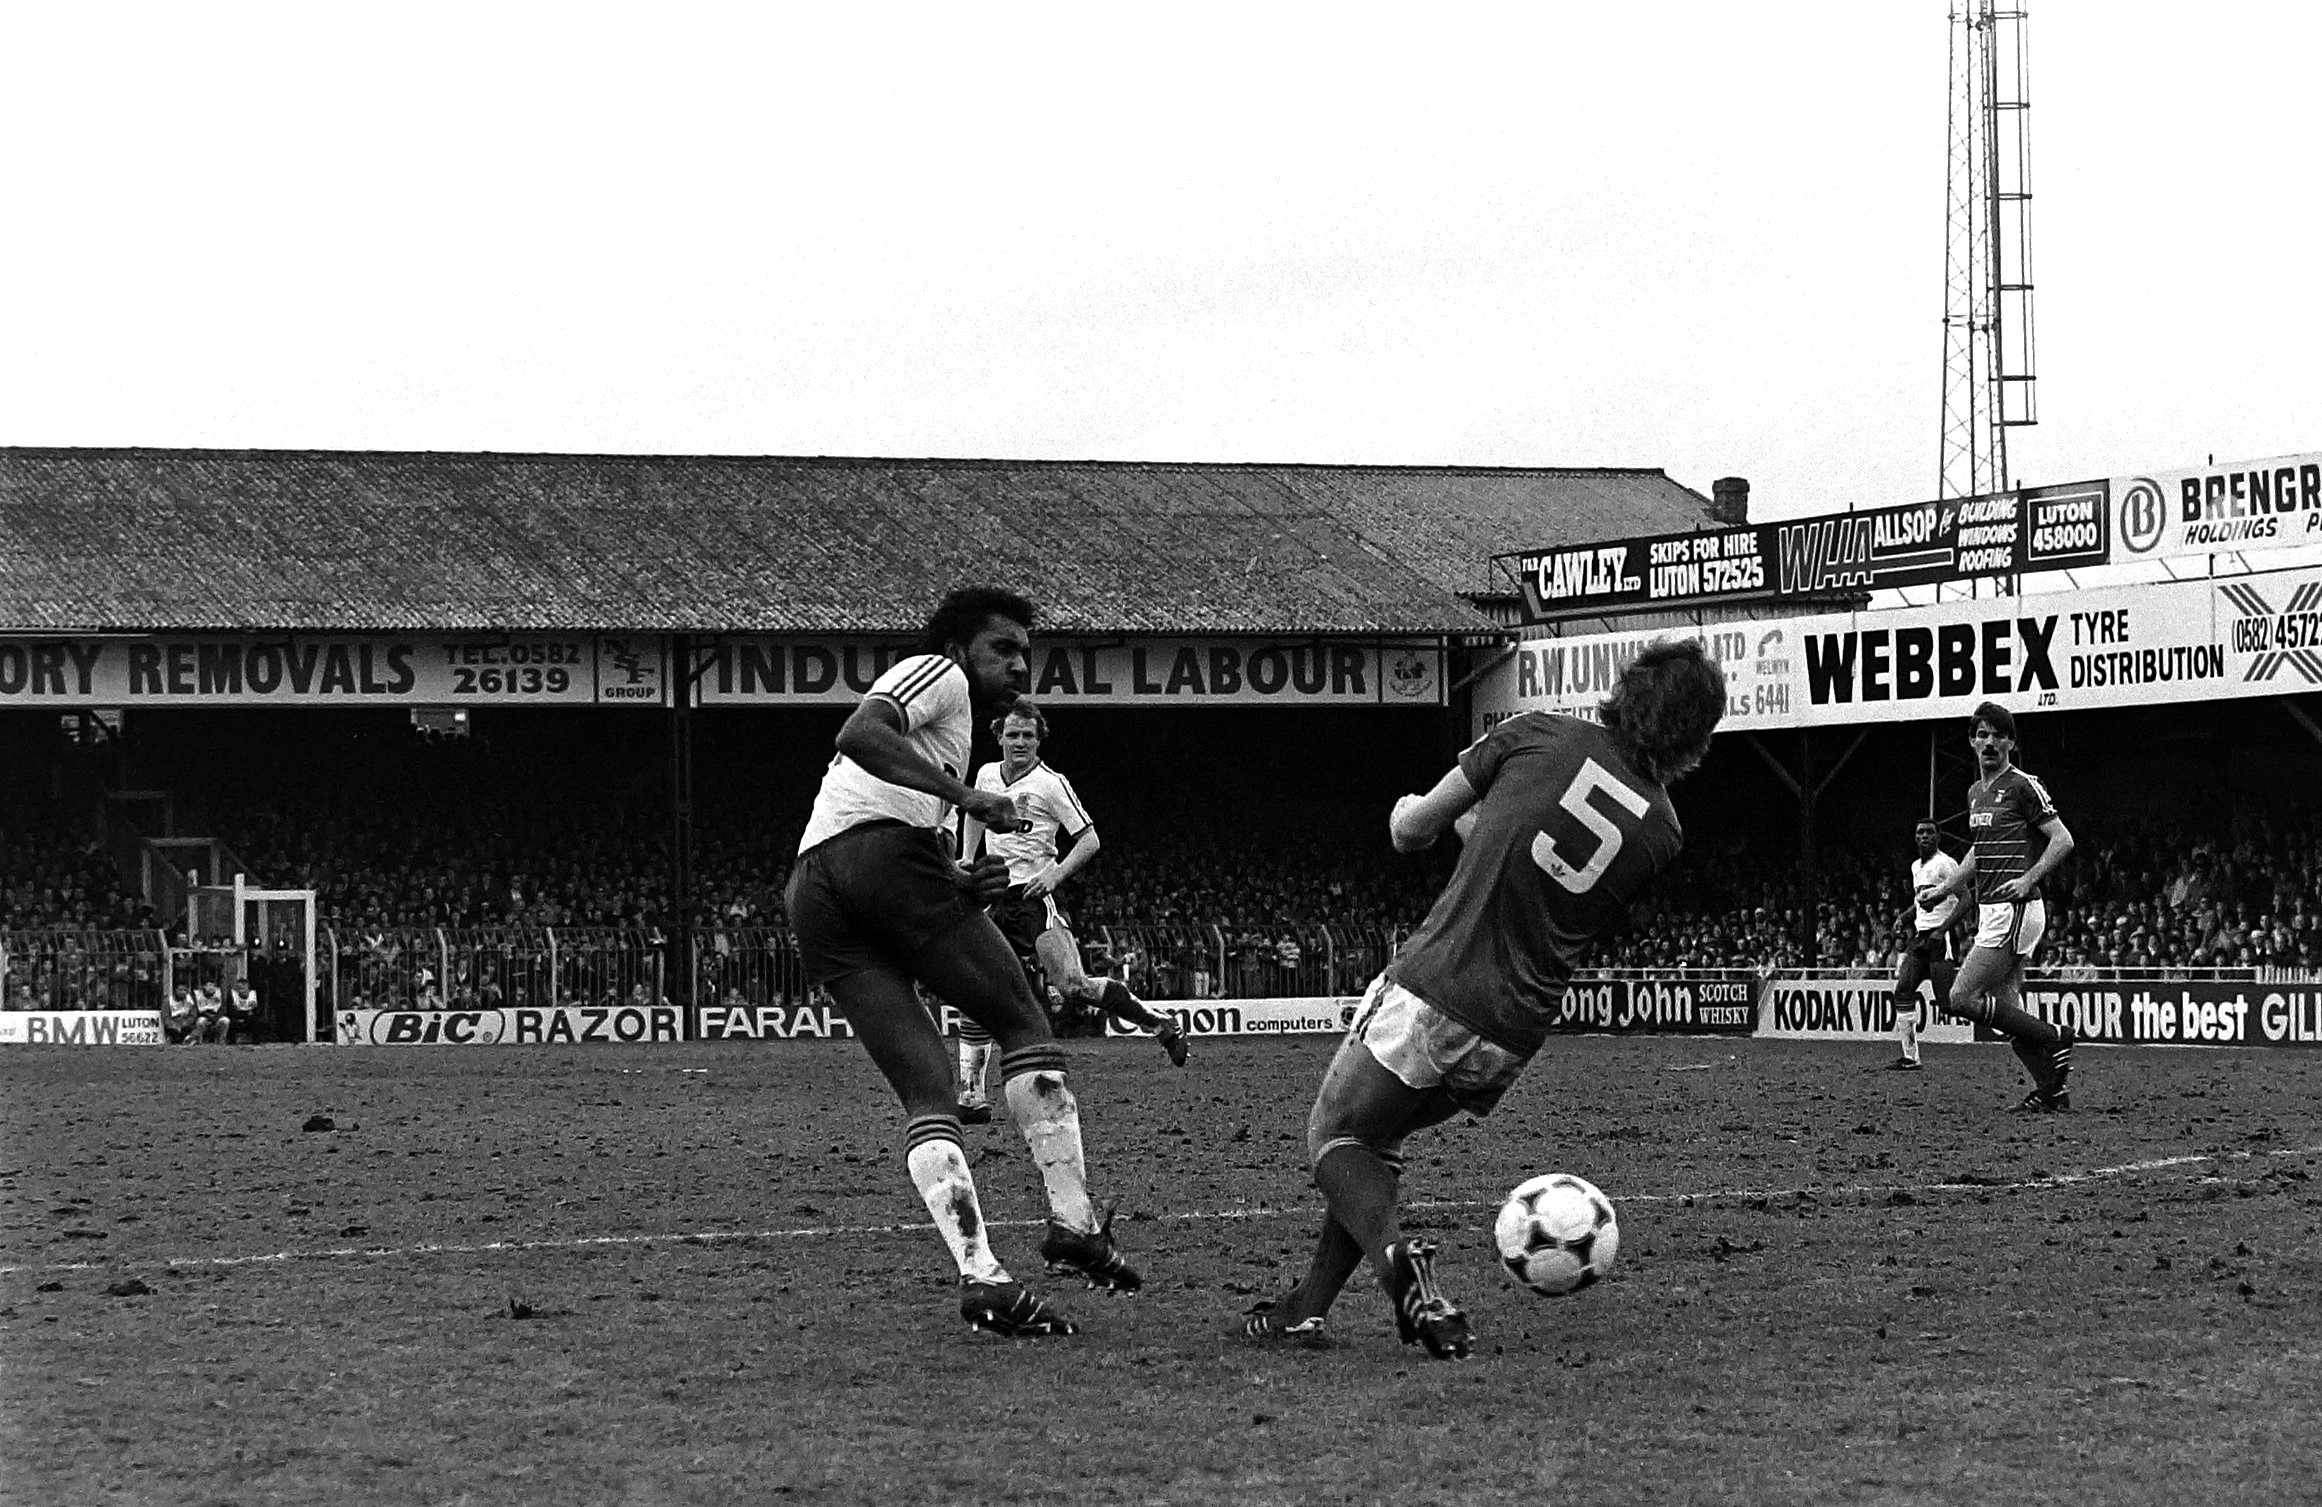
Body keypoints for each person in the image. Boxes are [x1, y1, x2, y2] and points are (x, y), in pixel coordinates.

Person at [1242, 638, 1727, 1360]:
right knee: (1376, 1144)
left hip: (1438, 984)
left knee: (1333, 1137)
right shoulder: (1664, 830)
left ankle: (1405, 1274)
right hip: (1512, 1031)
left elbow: (1413, 831)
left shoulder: (1536, 732)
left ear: (1626, 689)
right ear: (1696, 737)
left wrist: (1410, 809)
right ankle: (1304, 1311)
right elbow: (1532, 859)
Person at [783, 585, 1140, 1338]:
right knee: (1024, 1021)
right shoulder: (938, 674)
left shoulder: (945, 736)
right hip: (877, 860)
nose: (1020, 665)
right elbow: (859, 732)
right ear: (958, 649)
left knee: (930, 1090)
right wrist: (970, 801)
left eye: (1026, 653)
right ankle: (1074, 1222)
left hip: (816, 892)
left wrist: (960, 876)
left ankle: (982, 1275)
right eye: (1003, 649)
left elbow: (887, 808)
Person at [954, 699, 1187, 1120]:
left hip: (1032, 898)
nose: (1020, 742)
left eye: (1028, 735)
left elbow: (1089, 839)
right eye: (1012, 734)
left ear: (1039, 739)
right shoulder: (987, 774)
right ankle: (971, 1096)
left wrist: (1055, 875)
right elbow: (975, 812)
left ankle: (1159, 1023)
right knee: (974, 988)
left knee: (1073, 985)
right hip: (993, 896)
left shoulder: (1051, 784)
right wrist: (968, 858)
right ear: (999, 736)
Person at [1914, 702, 2078, 1111]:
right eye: (1982, 735)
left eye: (1998, 735)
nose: (1989, 742)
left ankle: (2055, 1036)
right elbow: (1979, 852)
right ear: (1972, 742)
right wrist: (1945, 889)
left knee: (1961, 996)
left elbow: (2062, 839)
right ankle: (2051, 1092)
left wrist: (2028, 879)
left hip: (2015, 907)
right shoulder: (1975, 793)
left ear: (2010, 743)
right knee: (2007, 1009)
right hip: (1994, 910)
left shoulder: (2023, 785)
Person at [1887, 819, 1962, 1070]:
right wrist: (1904, 917)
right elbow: (1920, 903)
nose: (1925, 836)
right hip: (1921, 938)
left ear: (1939, 836)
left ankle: (2002, 1018)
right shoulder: (1915, 867)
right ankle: (1910, 1056)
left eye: (1930, 832)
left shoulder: (1947, 864)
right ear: (1915, 837)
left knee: (1948, 1004)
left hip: (1941, 938)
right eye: (1920, 832)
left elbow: (1966, 900)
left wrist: (1942, 930)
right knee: (1903, 990)